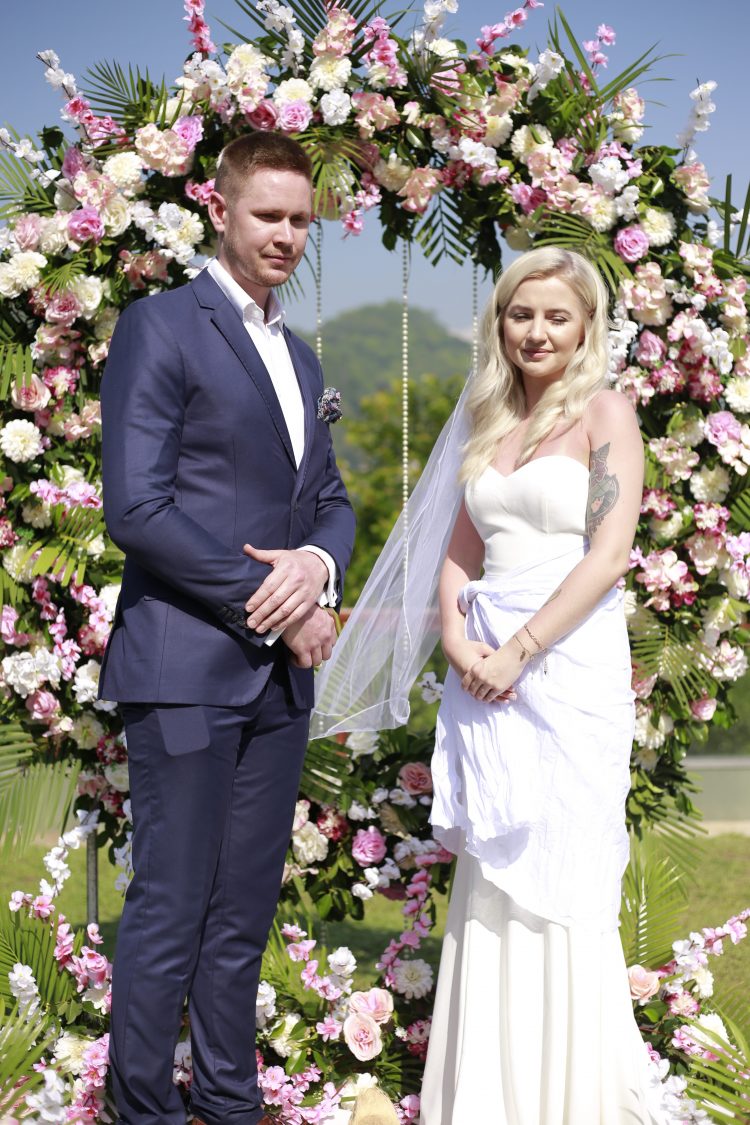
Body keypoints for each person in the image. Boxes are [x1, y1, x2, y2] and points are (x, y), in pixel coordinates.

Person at [313, 246, 663, 1124]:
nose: (536, 331)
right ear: (499, 321)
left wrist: (522, 650)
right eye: (520, 313)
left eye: (556, 316)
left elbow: (609, 555)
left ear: (586, 326)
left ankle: (571, 1099)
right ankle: (488, 1097)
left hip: (565, 666)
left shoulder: (606, 412)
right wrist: (460, 641)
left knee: (560, 861)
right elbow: (458, 551)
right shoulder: (488, 417)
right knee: (495, 863)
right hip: (482, 672)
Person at [99, 131, 355, 1125]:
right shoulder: (161, 325)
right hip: (184, 670)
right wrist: (278, 605)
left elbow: (328, 500)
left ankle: (230, 1105)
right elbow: (137, 507)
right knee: (171, 910)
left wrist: (318, 565)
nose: (286, 235)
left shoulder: (302, 356)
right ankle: (142, 1112)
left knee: (242, 916)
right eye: (268, 215)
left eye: (301, 221)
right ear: (221, 208)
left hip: (277, 689)